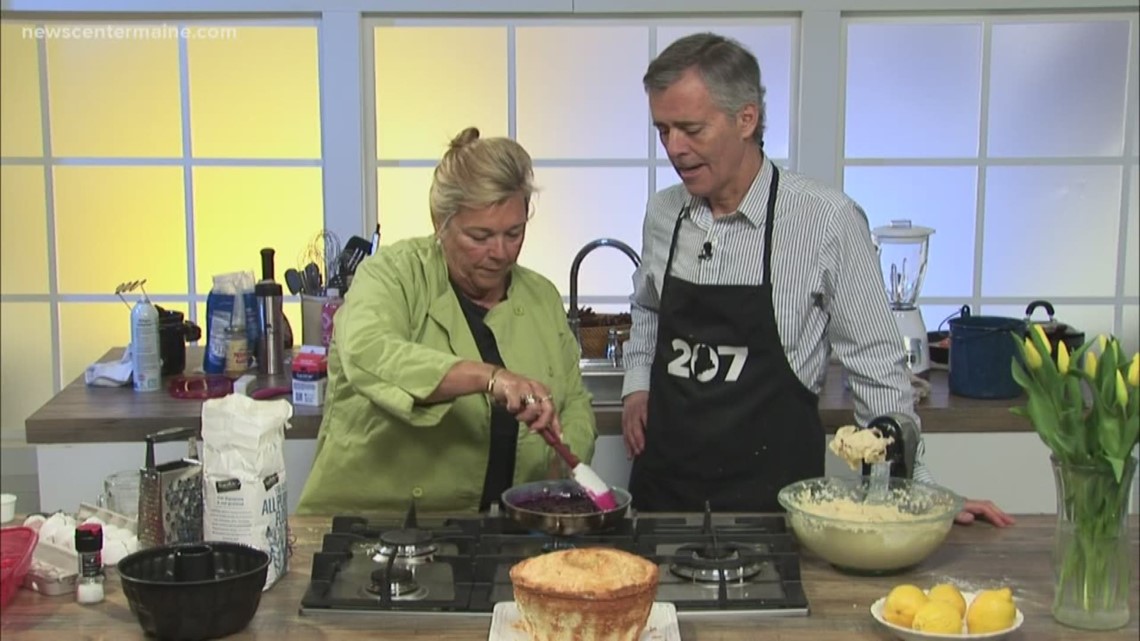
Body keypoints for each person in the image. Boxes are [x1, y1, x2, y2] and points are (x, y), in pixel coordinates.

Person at [620, 33, 1013, 527]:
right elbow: (649, 307)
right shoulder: (664, 212)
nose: (674, 149)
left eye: (691, 129)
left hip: (774, 504)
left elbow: (876, 365)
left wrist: (920, 493)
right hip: (664, 497)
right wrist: (637, 383)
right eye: (663, 130)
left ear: (747, 119)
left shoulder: (826, 220)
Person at [297, 127, 596, 515]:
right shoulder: (392, 274)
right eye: (480, 235)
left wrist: (562, 463)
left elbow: (573, 400)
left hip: (506, 531)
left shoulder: (540, 297)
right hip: (369, 527)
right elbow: (369, 351)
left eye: (514, 233)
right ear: (441, 220)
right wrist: (491, 378)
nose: (500, 252)